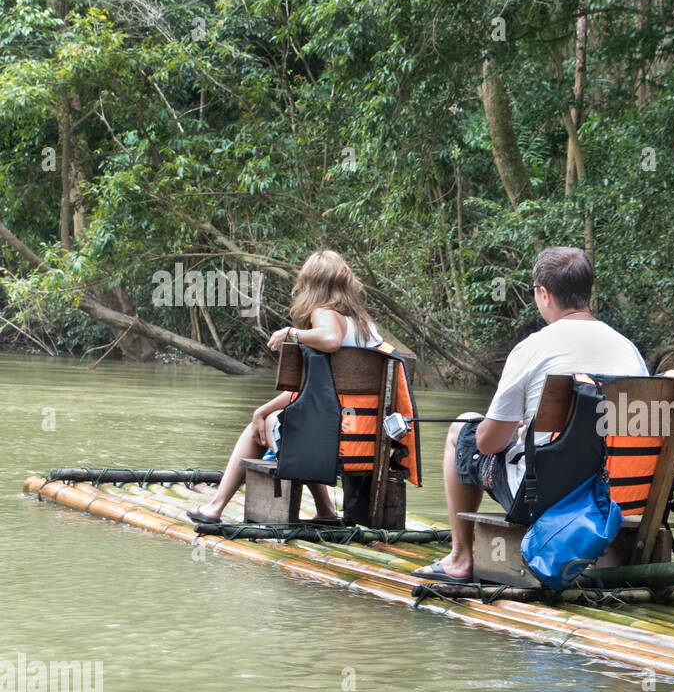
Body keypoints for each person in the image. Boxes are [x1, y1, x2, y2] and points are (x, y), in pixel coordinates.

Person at [414, 246, 648, 582]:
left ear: (543, 294)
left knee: (461, 430)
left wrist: (514, 428)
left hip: (546, 501)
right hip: (617, 497)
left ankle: (460, 556)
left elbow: (488, 444)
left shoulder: (533, 347)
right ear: (588, 292)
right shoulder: (629, 350)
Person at [188, 250, 382, 524]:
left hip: (332, 440)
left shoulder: (324, 314)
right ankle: (325, 511)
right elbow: (312, 393)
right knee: (282, 420)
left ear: (310, 285)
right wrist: (262, 410)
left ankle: (216, 506)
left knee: (273, 426)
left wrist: (291, 332)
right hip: (368, 438)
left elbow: (330, 340)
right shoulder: (365, 326)